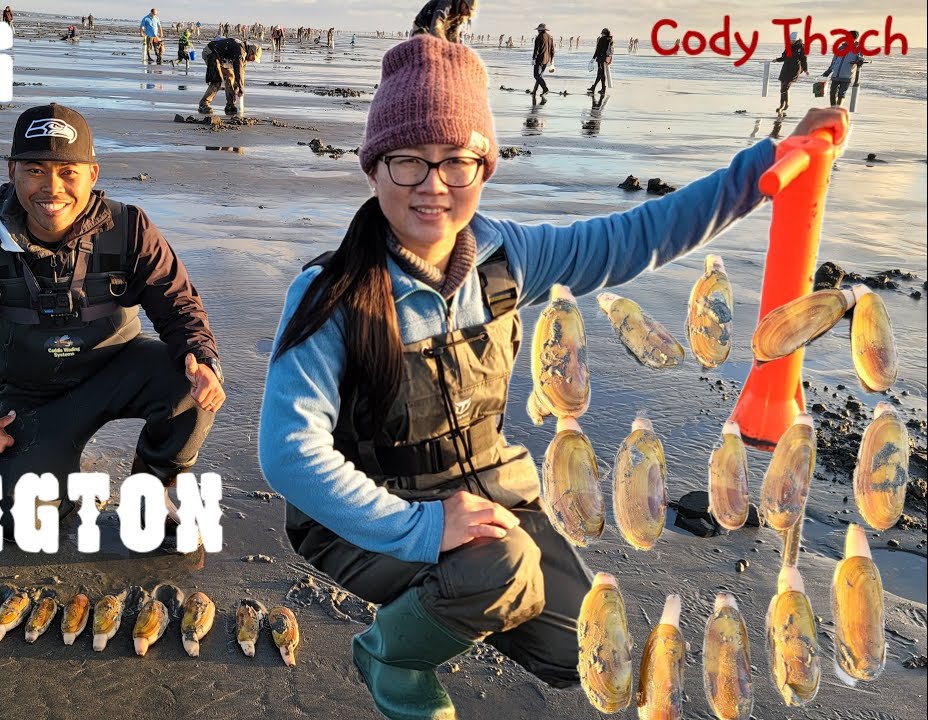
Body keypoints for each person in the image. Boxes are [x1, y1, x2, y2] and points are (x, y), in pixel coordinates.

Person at [257, 33, 850, 720]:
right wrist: (424, 529)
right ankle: (393, 654)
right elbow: (288, 453)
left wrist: (766, 165)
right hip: (366, 520)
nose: (433, 186)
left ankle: (457, 596)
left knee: (586, 655)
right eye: (408, 162)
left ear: (485, 166)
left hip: (490, 496)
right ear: (373, 168)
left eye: (457, 163)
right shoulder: (332, 292)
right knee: (499, 568)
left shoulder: (511, 259)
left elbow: (639, 236)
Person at [0, 103, 226, 542]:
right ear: (12, 170)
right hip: (32, 393)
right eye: (35, 170)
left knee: (189, 382)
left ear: (92, 175)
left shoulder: (130, 228)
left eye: (67, 172)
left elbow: (179, 305)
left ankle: (153, 486)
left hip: (121, 369)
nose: (51, 188)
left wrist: (203, 359)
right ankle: (51, 482)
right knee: (20, 526)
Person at [198, 38, 262, 115]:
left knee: (231, 77)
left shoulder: (244, 54)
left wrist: (239, 87)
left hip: (222, 58)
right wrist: (241, 88)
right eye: (253, 58)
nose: (252, 60)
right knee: (217, 79)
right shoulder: (240, 51)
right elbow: (238, 71)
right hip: (211, 52)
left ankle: (230, 104)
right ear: (251, 52)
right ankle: (203, 104)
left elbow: (241, 73)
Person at [823, 30, 864, 107]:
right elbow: (834, 60)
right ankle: (833, 110)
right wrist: (828, 71)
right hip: (835, 75)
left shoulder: (858, 49)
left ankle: (838, 111)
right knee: (832, 94)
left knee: (841, 94)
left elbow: (861, 59)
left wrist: (860, 61)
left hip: (847, 76)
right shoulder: (841, 47)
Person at [773, 32, 809, 114]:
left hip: (794, 70)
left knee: (784, 88)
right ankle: (784, 104)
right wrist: (777, 60)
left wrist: (806, 70)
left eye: (792, 40)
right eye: (790, 40)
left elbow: (804, 59)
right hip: (785, 69)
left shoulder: (801, 48)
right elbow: (784, 57)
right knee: (783, 88)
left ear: (796, 40)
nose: (790, 42)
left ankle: (782, 106)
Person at [410, 0, 476, 44]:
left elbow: (455, 36)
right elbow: (436, 26)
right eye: (467, 8)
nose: (466, 12)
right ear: (463, 2)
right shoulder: (446, 3)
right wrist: (446, 46)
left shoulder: (460, 14)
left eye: (469, 12)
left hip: (442, 32)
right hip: (421, 31)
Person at [588, 27, 613, 95]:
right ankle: (594, 86)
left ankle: (603, 88)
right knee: (599, 73)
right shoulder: (610, 39)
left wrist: (593, 58)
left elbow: (598, 50)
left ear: (603, 33)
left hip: (601, 58)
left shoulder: (602, 39)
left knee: (601, 73)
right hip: (607, 58)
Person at [531, 22, 554, 96]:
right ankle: (534, 91)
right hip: (547, 59)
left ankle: (545, 89)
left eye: (538, 30)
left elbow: (536, 49)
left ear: (540, 30)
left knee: (536, 75)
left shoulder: (539, 37)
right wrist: (552, 61)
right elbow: (552, 50)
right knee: (539, 76)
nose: (538, 31)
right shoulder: (550, 37)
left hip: (540, 59)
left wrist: (533, 58)